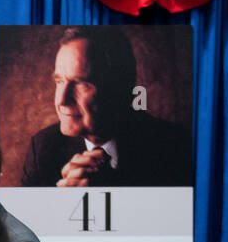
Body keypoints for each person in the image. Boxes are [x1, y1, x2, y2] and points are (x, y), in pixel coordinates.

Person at [20, 26, 191, 188]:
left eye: (81, 83)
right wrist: (64, 204)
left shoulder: (175, 147)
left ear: (118, 88)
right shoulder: (42, 150)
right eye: (59, 81)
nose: (62, 100)